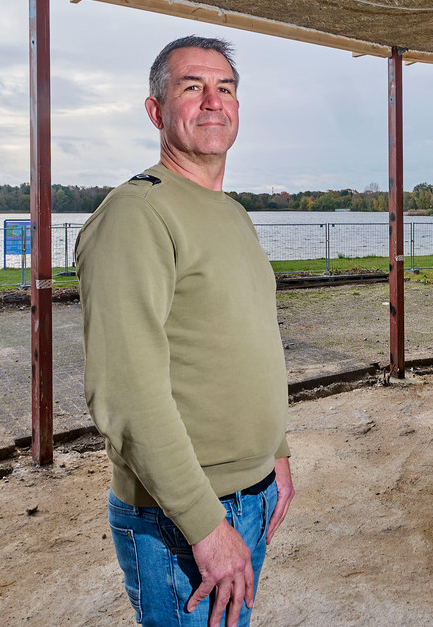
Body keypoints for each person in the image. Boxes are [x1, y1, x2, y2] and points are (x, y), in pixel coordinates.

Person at [76, 35, 293, 627]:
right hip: (183, 515)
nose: (212, 101)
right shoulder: (136, 215)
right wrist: (204, 524)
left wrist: (276, 453)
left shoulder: (231, 212)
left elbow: (246, 338)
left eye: (225, 88)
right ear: (155, 111)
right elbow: (125, 394)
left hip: (249, 493)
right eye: (191, 87)